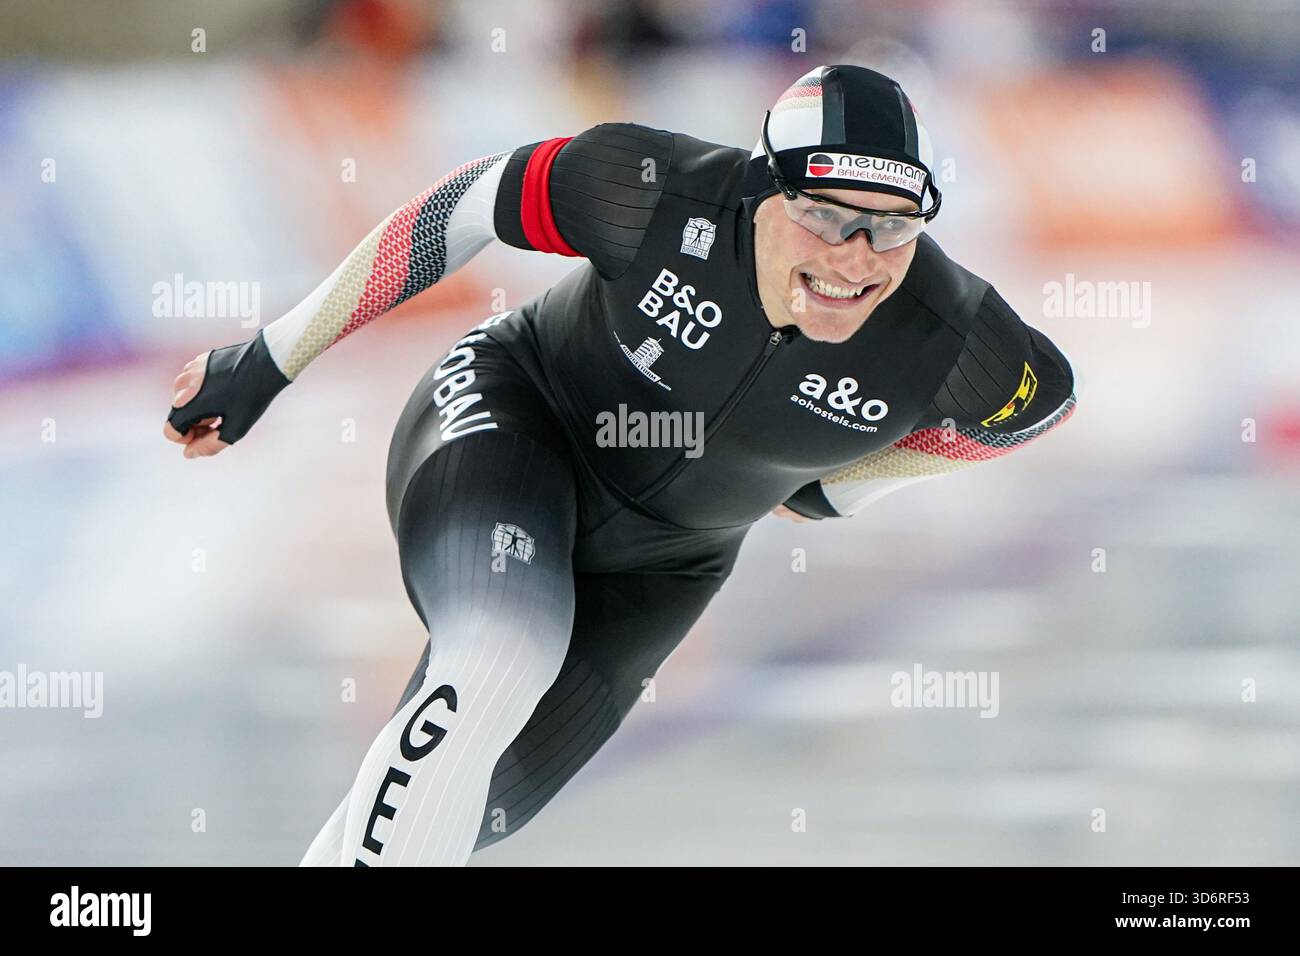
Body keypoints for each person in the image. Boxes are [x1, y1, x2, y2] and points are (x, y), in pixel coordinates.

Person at [163, 65, 1076, 866]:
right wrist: (273, 357)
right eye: (824, 215)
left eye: (891, 228)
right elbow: (472, 202)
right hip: (520, 423)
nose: (854, 259)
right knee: (494, 663)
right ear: (765, 189)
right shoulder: (651, 190)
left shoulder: (954, 337)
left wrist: (846, 489)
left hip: (670, 560)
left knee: (461, 807)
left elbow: (1036, 411)